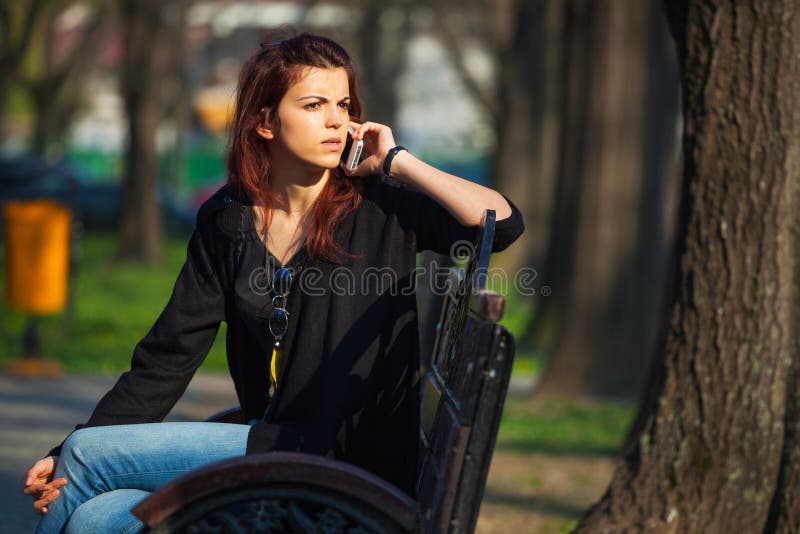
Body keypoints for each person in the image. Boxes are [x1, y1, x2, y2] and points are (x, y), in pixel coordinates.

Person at [22, 32, 524, 533]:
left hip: (341, 470)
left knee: (86, 460)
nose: (336, 120)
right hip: (273, 452)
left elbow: (501, 223)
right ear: (264, 121)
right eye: (314, 104)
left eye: (343, 104)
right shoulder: (228, 220)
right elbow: (168, 356)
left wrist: (397, 162)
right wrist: (67, 447)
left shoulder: (382, 207)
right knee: (96, 515)